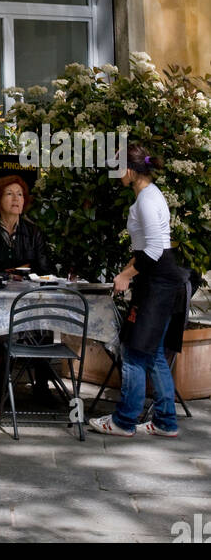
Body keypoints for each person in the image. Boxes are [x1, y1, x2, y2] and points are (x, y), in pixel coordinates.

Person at [89, 143, 191, 438]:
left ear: (130, 171)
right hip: (158, 280)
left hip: (158, 284)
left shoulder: (147, 199)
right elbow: (146, 247)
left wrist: (125, 275)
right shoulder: (148, 195)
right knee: (155, 354)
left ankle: (124, 420)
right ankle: (165, 421)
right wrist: (130, 271)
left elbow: (156, 249)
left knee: (133, 351)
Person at [0, 175, 54, 403]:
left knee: (43, 318)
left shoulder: (34, 233)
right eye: (9, 194)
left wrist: (25, 272)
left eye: (20, 194)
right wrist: (7, 274)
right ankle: (1, 389)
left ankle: (42, 388)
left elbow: (45, 269)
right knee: (2, 329)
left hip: (28, 298)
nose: (16, 199)